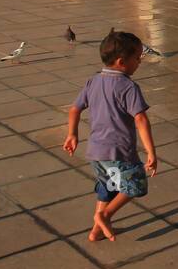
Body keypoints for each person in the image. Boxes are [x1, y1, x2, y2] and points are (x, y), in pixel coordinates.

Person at [63, 30, 158, 243]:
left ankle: (96, 231)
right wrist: (151, 152)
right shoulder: (128, 87)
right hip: (119, 152)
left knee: (108, 187)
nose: (139, 62)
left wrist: (72, 134)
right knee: (135, 184)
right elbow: (140, 119)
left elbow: (74, 109)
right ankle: (104, 215)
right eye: (137, 58)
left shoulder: (93, 81)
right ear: (121, 62)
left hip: (96, 153)